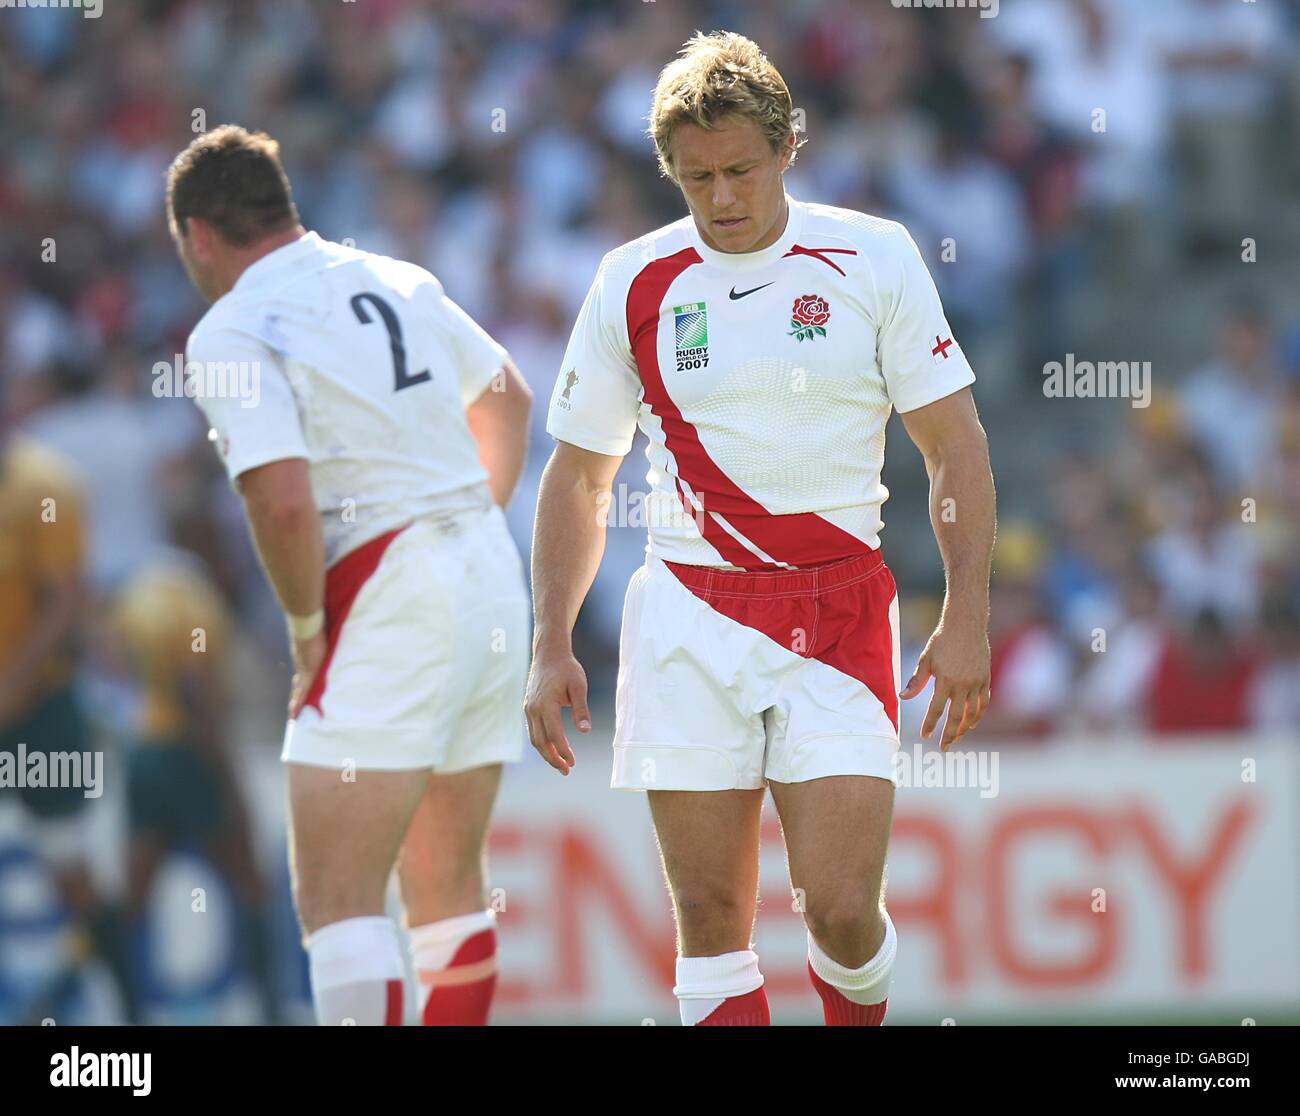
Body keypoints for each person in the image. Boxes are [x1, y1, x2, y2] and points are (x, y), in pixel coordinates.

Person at [525, 32, 995, 1027]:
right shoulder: (632, 281)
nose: (722, 197)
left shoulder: (874, 256)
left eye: (740, 169)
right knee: (706, 915)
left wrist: (966, 613)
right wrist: (548, 644)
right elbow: (577, 476)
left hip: (838, 611)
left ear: (789, 147)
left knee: (839, 912)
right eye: (696, 178)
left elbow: (953, 446)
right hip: (688, 612)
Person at [165, 126, 532, 1026]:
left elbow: (282, 502)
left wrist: (305, 630)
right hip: (485, 566)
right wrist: (459, 513)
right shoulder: (395, 277)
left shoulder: (231, 326)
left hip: (385, 583)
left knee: (339, 899)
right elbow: (508, 397)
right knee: (446, 889)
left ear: (198, 237)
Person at [112, 556, 279, 1023]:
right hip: (186, 753)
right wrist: (228, 779)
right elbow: (194, 689)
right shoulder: (195, 602)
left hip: (142, 750)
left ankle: (131, 1009)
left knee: (136, 893)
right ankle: (270, 1006)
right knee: (247, 879)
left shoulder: (140, 593)